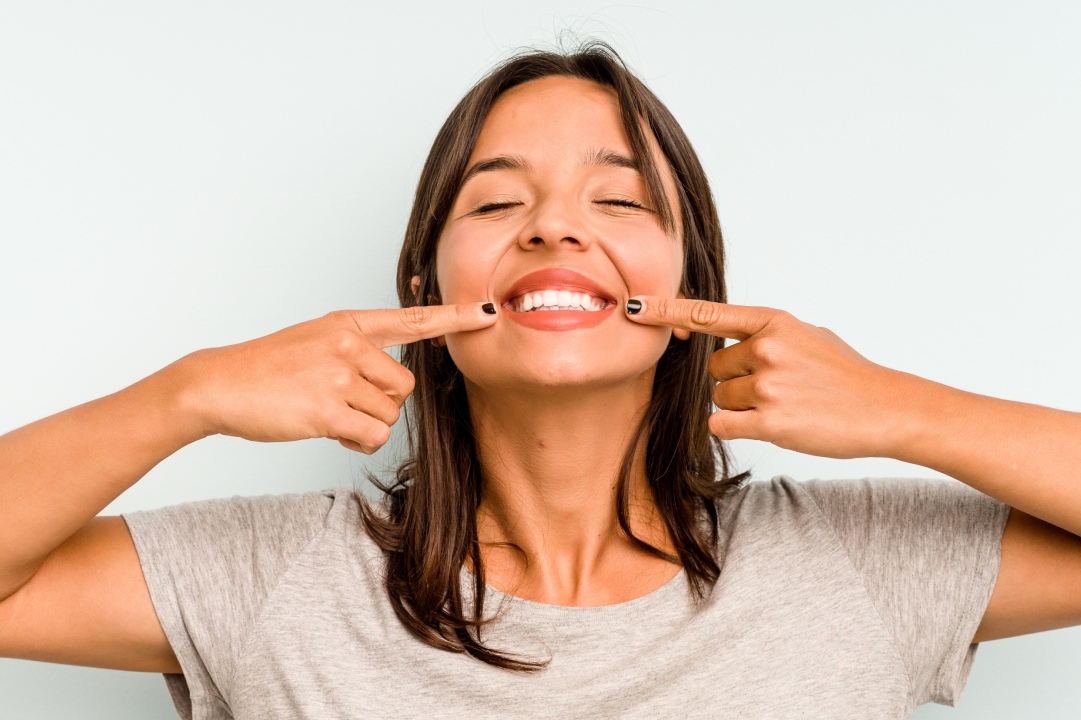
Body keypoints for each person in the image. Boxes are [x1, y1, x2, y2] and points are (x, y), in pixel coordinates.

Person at [1, 42, 1079, 719]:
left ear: (690, 285)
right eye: (494, 202)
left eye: (618, 204)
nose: (555, 225)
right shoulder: (273, 576)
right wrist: (184, 394)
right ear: (426, 285)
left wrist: (908, 413)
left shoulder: (856, 564)